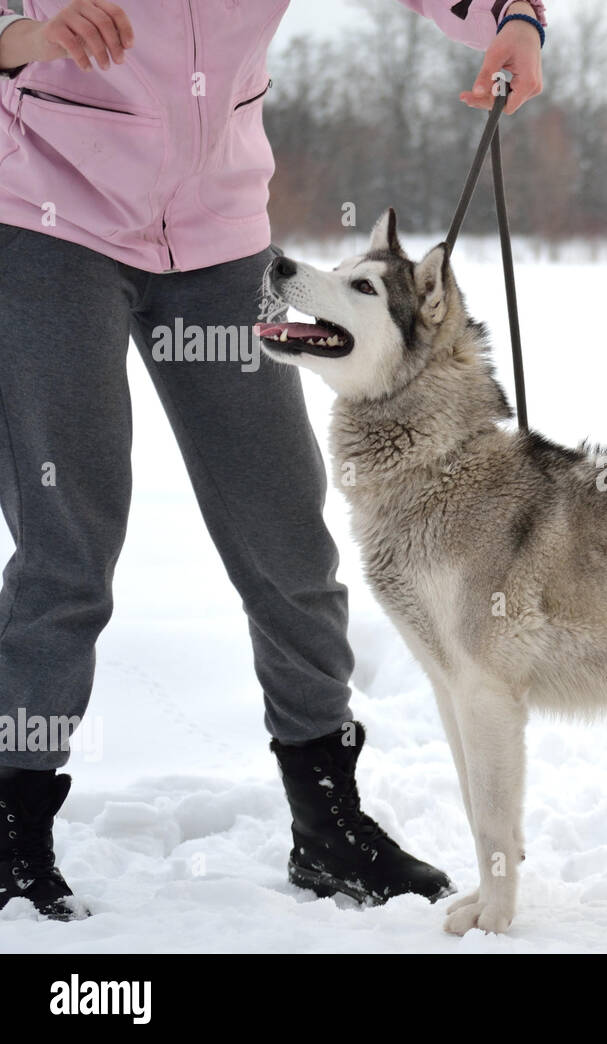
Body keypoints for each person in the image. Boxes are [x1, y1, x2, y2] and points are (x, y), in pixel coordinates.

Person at [0, 0, 545, 919]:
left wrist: (513, 20)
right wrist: (23, 34)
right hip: (49, 221)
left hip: (217, 236)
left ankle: (326, 820)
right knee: (69, 547)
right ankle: (13, 823)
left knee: (289, 542)